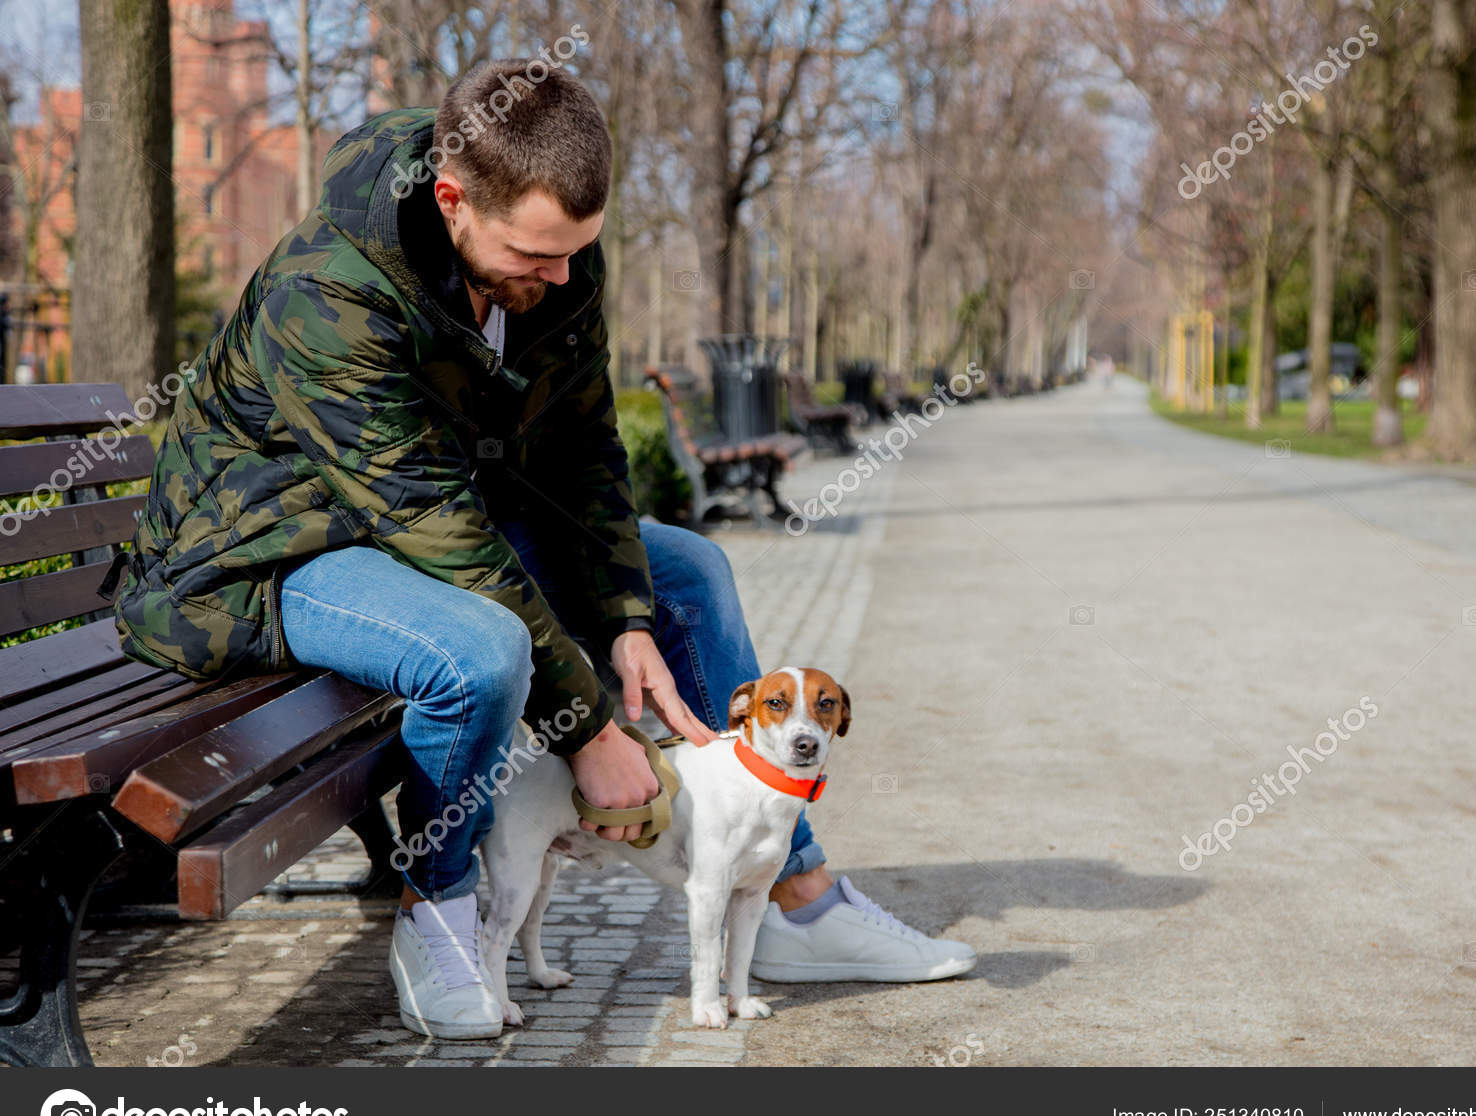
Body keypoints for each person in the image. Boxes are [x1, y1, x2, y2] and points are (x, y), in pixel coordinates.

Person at [114, 59, 974, 1039]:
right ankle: (435, 907)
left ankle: (797, 902)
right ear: (453, 199)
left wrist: (626, 617)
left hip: (409, 525)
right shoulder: (329, 295)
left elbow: (582, 448)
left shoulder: (549, 251)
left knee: (688, 572)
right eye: (537, 254)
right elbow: (440, 535)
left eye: (577, 254)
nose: (562, 278)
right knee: (477, 650)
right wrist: (592, 733)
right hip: (264, 554)